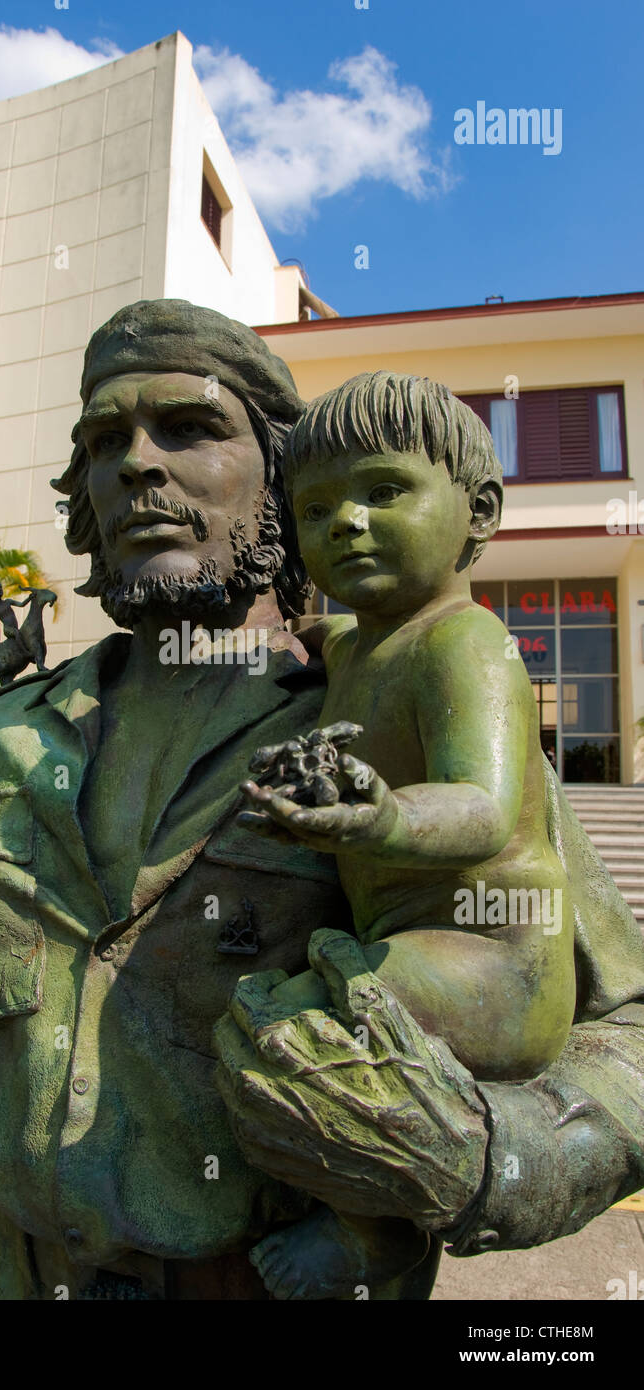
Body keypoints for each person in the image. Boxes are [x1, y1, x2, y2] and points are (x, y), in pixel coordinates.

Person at [0, 301, 644, 1301]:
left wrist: (479, 1156)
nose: (137, 464)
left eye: (189, 429)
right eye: (106, 439)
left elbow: (624, 1033)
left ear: (278, 477)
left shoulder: (399, 718)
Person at [236, 370, 577, 1295]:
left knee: (306, 1018)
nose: (344, 522)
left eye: (382, 491)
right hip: (411, 948)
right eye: (315, 510)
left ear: (478, 512)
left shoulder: (465, 644)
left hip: (497, 965)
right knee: (276, 1020)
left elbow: (481, 809)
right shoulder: (351, 648)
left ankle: (374, 1229)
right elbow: (309, 635)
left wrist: (383, 817)